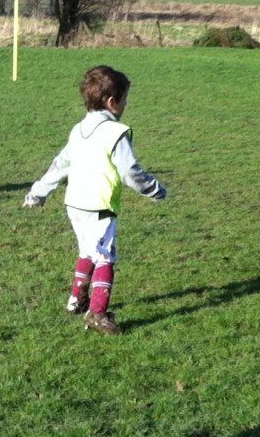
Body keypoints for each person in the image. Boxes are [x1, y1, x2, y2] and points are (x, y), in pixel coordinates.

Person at [22, 64, 168, 334]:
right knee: (105, 256)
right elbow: (130, 172)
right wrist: (153, 189)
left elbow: (60, 164)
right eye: (124, 100)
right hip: (99, 205)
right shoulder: (116, 133)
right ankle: (98, 313)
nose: (126, 105)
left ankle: (76, 300)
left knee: (87, 250)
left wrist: (38, 192)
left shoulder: (78, 130)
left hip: (74, 204)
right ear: (112, 102)